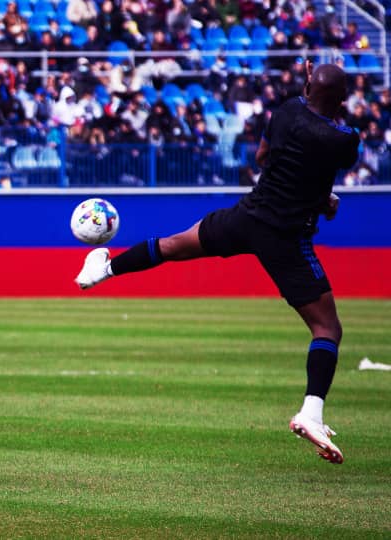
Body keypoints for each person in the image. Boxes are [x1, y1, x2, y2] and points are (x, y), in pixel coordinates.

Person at [75, 62, 359, 465]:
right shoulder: (345, 138)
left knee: (173, 244)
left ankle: (103, 269)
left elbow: (265, 155)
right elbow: (321, 161)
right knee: (327, 327)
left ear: (309, 85)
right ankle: (311, 413)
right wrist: (322, 200)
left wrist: (305, 91)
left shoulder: (286, 111)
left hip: (247, 217)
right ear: (344, 98)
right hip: (286, 237)